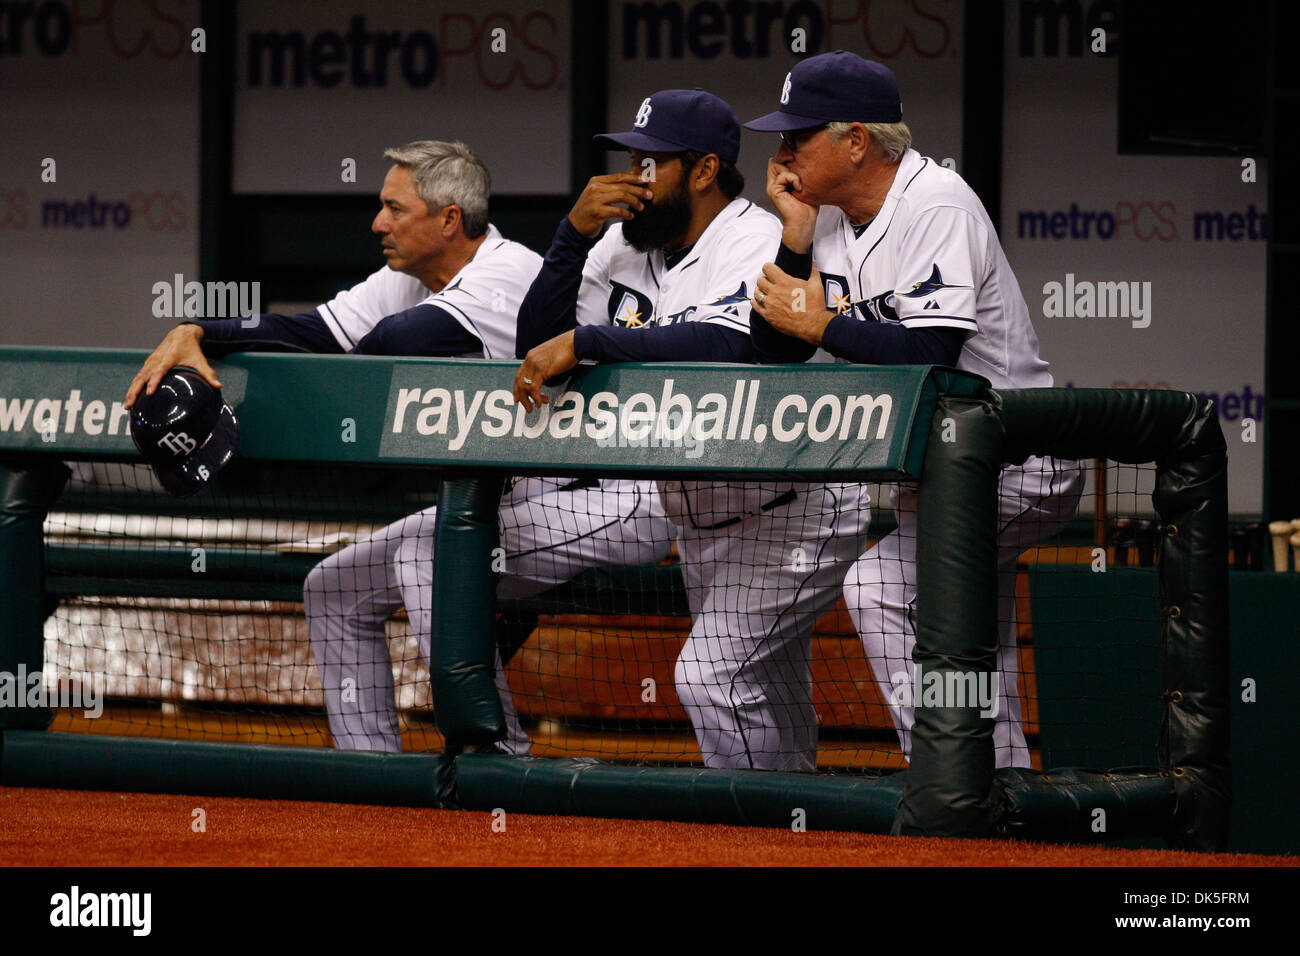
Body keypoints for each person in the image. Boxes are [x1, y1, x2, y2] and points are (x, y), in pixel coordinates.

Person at [124, 140, 673, 754]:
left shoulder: (508, 273)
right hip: (522, 504)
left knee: (424, 551)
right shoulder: (405, 278)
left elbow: (387, 343)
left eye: (394, 207)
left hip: (607, 495)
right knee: (332, 587)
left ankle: (499, 757)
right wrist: (199, 329)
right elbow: (310, 332)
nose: (377, 222)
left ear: (448, 220)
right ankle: (370, 768)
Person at [512, 88, 871, 772]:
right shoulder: (618, 244)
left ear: (703, 171)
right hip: (700, 515)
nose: (632, 179)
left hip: (792, 510)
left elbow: (733, 348)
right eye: (630, 161)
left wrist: (591, 341)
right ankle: (796, 828)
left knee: (710, 678)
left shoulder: (755, 236)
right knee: (766, 691)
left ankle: (753, 837)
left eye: (652, 163)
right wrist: (571, 238)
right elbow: (537, 347)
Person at [745, 51, 1084, 769]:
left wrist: (823, 325)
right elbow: (776, 352)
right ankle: (1000, 795)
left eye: (796, 138)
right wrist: (797, 234)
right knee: (973, 642)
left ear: (856, 140)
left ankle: (946, 773)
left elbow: (932, 349)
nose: (779, 155)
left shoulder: (937, 202)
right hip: (939, 473)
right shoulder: (832, 220)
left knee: (876, 587)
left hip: (1016, 463)